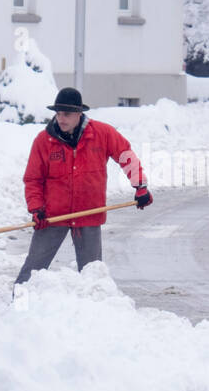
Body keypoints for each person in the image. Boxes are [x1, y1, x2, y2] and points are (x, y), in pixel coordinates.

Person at [13, 87, 151, 286]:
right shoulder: (44, 141)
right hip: (52, 216)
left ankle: (94, 311)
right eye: (58, 113)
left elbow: (126, 155)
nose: (61, 119)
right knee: (33, 268)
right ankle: (18, 307)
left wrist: (140, 186)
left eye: (67, 114)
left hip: (89, 213)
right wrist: (36, 209)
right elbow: (33, 179)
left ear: (79, 114)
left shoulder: (102, 134)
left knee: (92, 275)